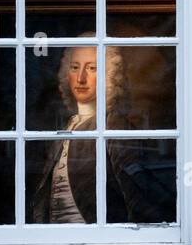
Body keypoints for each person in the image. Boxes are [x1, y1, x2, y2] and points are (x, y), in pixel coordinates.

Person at [27, 38, 174, 224]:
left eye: (92, 68)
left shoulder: (113, 125)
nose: (81, 78)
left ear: (109, 75)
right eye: (74, 67)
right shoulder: (66, 128)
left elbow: (138, 197)